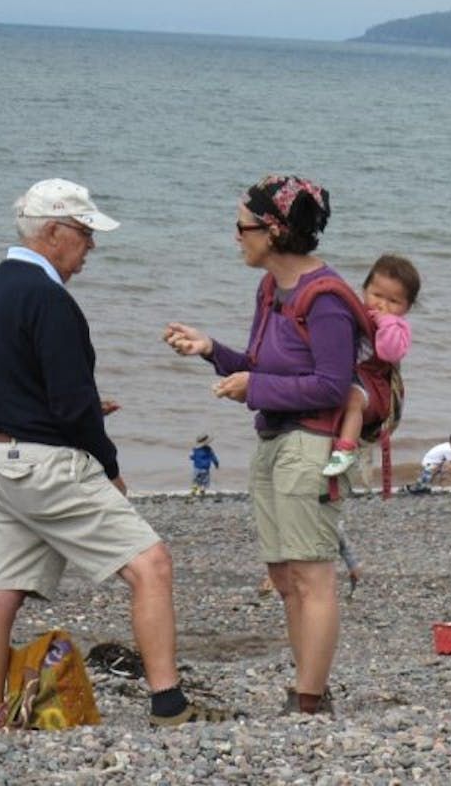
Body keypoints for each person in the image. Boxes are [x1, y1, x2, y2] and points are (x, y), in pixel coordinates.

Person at [0, 178, 229, 730]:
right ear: (52, 232)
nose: (91, 246)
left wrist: (56, 409)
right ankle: (168, 705)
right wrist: (109, 468)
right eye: (84, 234)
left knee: (0, 592)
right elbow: (71, 404)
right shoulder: (50, 300)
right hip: (44, 465)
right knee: (151, 564)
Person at [163, 174, 353, 715]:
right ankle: (309, 687)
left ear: (273, 231)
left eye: (242, 226)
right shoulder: (270, 289)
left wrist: (255, 388)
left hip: (311, 445)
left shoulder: (326, 299)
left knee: (312, 575)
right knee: (285, 576)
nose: (235, 236)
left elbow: (333, 386)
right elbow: (257, 366)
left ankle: (308, 700)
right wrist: (210, 350)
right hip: (274, 440)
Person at [321, 254, 421, 477]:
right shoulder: (356, 313)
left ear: (407, 307)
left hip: (374, 386)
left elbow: (389, 352)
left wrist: (385, 322)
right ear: (364, 290)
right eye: (377, 295)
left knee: (353, 398)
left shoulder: (398, 327)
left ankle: (346, 449)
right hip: (349, 374)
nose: (382, 304)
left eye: (393, 301)